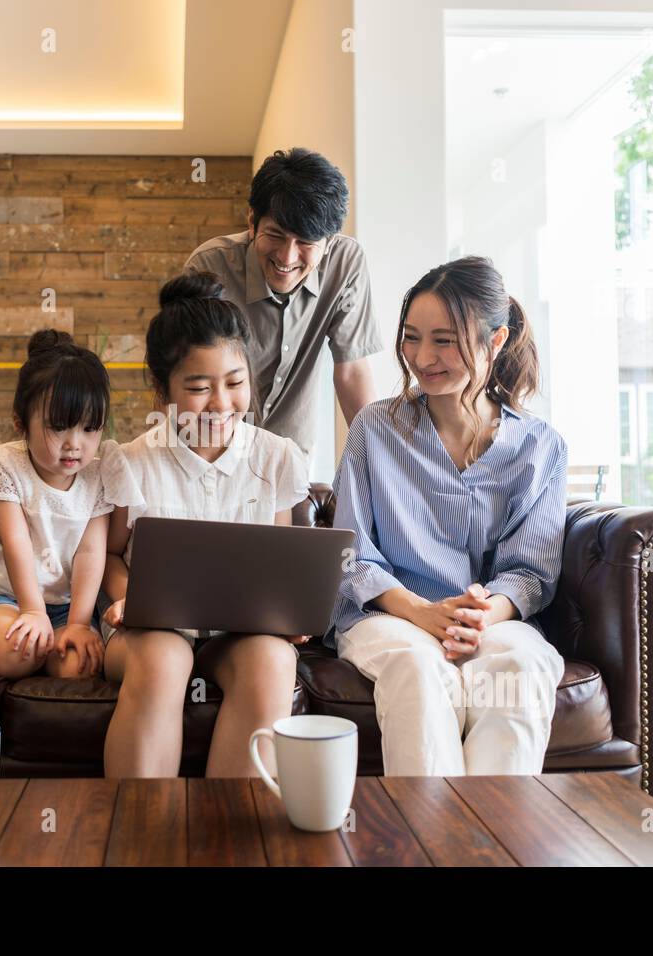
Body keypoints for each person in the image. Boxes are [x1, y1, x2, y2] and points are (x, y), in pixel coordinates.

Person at [328, 256, 568, 777]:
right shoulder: (374, 430)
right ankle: (428, 844)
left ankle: (492, 843)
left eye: (444, 340)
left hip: (488, 619)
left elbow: (531, 573)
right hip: (389, 615)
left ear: (496, 341)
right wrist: (420, 612)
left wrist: (479, 616)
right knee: (416, 664)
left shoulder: (539, 446)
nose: (422, 356)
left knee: (523, 666)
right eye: (412, 338)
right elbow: (351, 557)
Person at [98, 272, 310, 778]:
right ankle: (142, 830)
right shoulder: (130, 462)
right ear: (160, 388)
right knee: (165, 658)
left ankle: (228, 838)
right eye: (198, 388)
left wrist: (290, 610)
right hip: (150, 631)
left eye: (235, 384)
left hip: (239, 634)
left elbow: (279, 556)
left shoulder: (277, 458)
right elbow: (108, 554)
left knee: (272, 662)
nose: (220, 404)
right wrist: (129, 597)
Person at [185, 147, 382, 458]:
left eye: (305, 242)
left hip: (291, 457)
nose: (287, 257)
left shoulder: (345, 263)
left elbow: (351, 371)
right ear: (252, 221)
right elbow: (182, 370)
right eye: (275, 235)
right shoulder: (210, 267)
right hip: (214, 451)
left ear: (328, 240)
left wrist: (379, 463)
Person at [0, 330, 113, 680]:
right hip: (5, 601)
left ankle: (47, 646)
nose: (75, 444)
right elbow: (17, 543)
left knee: (79, 669)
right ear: (20, 423)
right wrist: (31, 610)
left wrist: (78, 623)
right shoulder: (5, 462)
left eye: (90, 428)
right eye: (59, 427)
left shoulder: (100, 472)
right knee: (19, 654)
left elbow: (91, 552)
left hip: (66, 610)